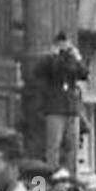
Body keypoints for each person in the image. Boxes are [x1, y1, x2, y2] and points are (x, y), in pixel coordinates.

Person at [30, 32, 89, 174]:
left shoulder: (71, 60)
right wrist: (54, 55)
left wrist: (77, 57)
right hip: (54, 108)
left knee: (72, 147)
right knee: (53, 147)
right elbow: (44, 71)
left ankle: (71, 177)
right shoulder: (49, 60)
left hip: (71, 109)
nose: (64, 47)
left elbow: (84, 73)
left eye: (66, 44)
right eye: (62, 44)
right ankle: (51, 176)